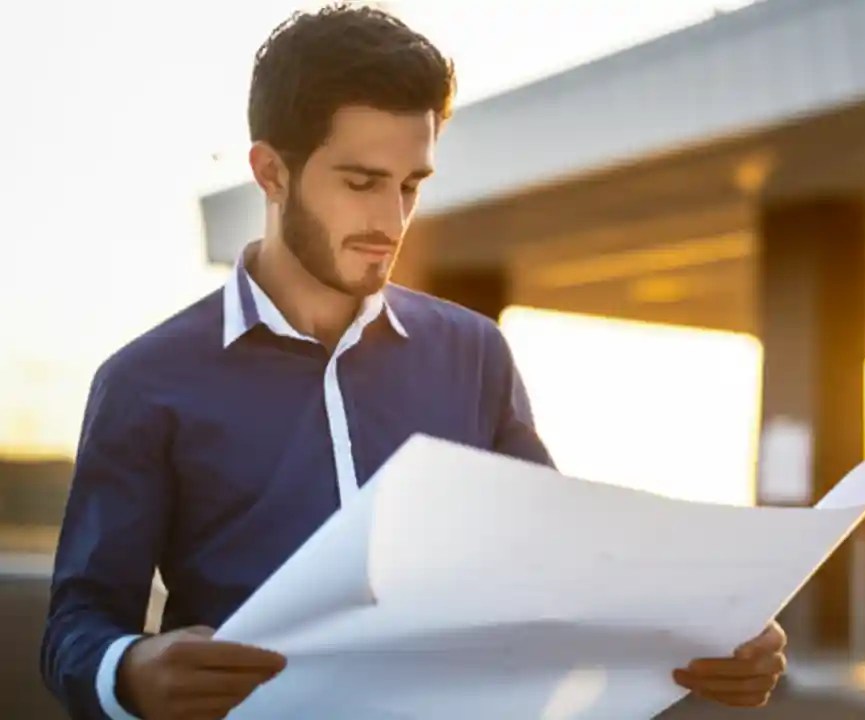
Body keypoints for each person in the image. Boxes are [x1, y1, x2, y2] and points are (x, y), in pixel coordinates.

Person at [41, 5, 787, 719]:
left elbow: (562, 568)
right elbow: (80, 622)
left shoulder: (474, 354)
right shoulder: (146, 382)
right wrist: (128, 674)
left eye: (411, 185)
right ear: (270, 173)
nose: (391, 221)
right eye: (362, 183)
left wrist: (702, 631)